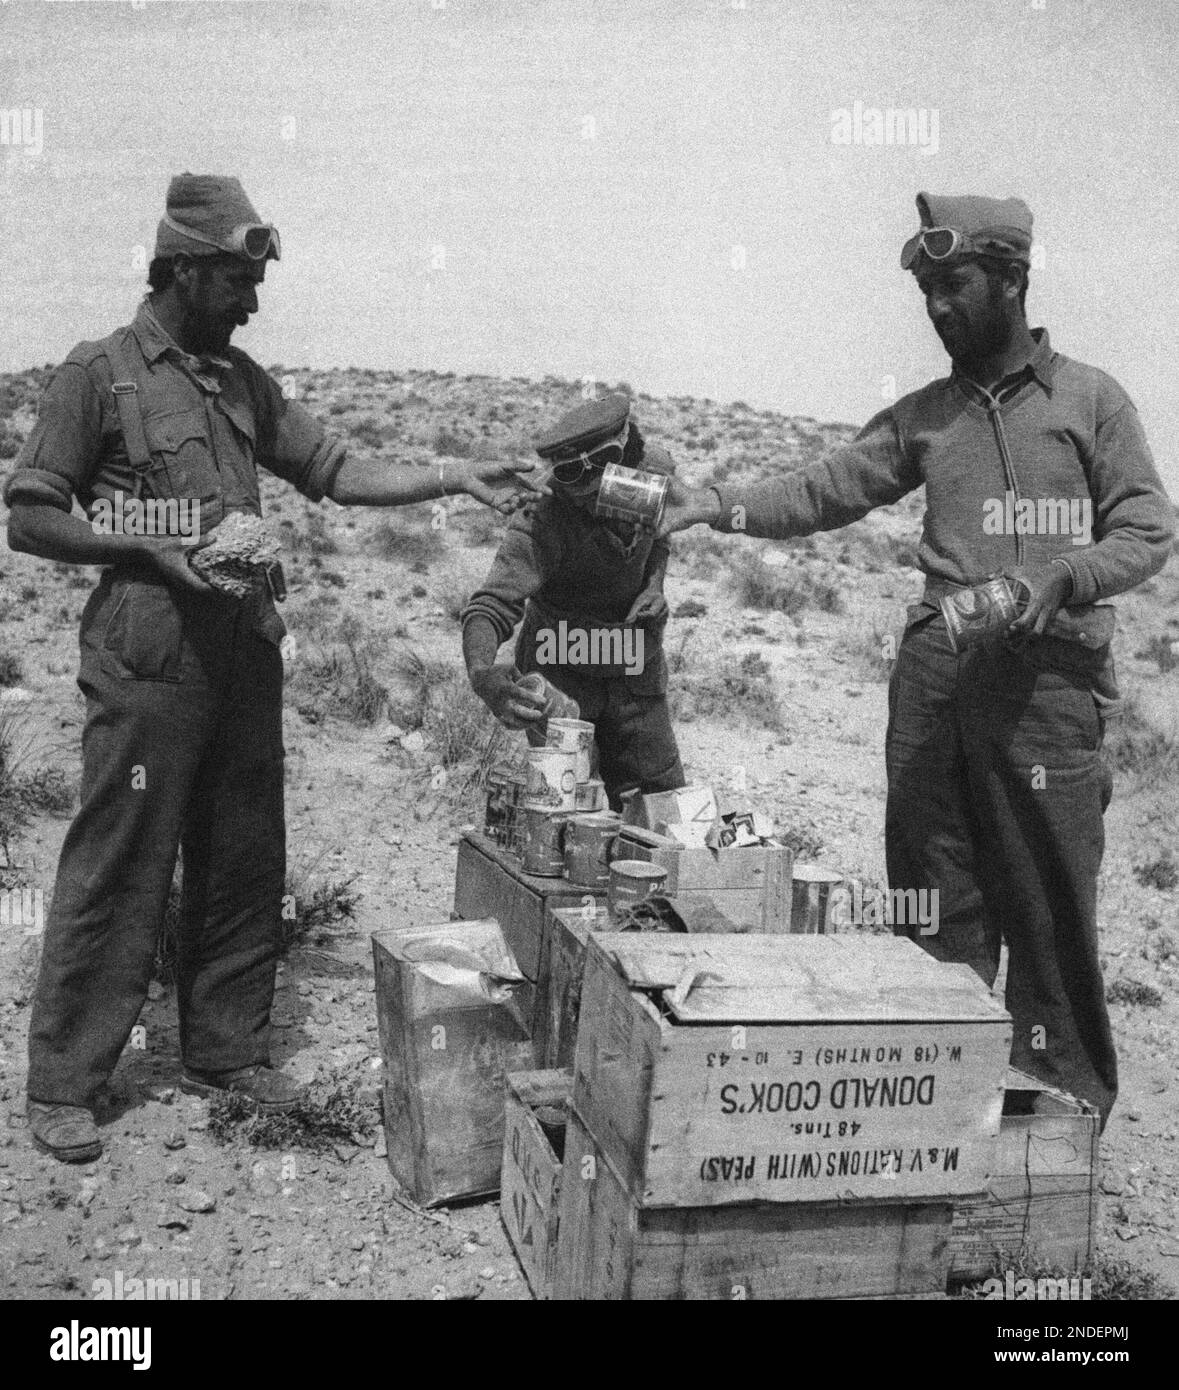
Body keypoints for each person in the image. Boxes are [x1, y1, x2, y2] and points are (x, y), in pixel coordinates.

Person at [3, 173, 541, 1163]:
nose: (253, 300)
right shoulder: (100, 372)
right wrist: (144, 543)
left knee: (244, 855)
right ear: (182, 270)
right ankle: (67, 1082)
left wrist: (457, 473)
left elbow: (336, 469)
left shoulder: (243, 381)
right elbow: (30, 511)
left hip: (243, 652)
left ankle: (225, 1047)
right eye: (237, 282)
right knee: (120, 860)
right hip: (148, 654)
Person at [660, 192, 1175, 1127]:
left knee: (1051, 911)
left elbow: (1146, 528)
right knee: (935, 900)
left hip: (1048, 689)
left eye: (956, 285)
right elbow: (826, 487)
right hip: (937, 676)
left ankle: (1051, 1142)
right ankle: (940, 1114)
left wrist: (1056, 579)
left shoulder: (1090, 400)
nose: (938, 307)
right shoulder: (925, 416)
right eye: (927, 291)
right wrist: (715, 503)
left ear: (1013, 280)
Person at [461, 393, 685, 808]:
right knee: (569, 810)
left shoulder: (650, 475)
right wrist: (480, 672)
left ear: (628, 457)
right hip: (562, 667)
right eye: (569, 476)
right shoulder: (545, 512)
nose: (587, 490)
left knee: (662, 808)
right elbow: (491, 605)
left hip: (633, 663)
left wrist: (654, 585)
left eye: (600, 474)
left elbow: (660, 536)